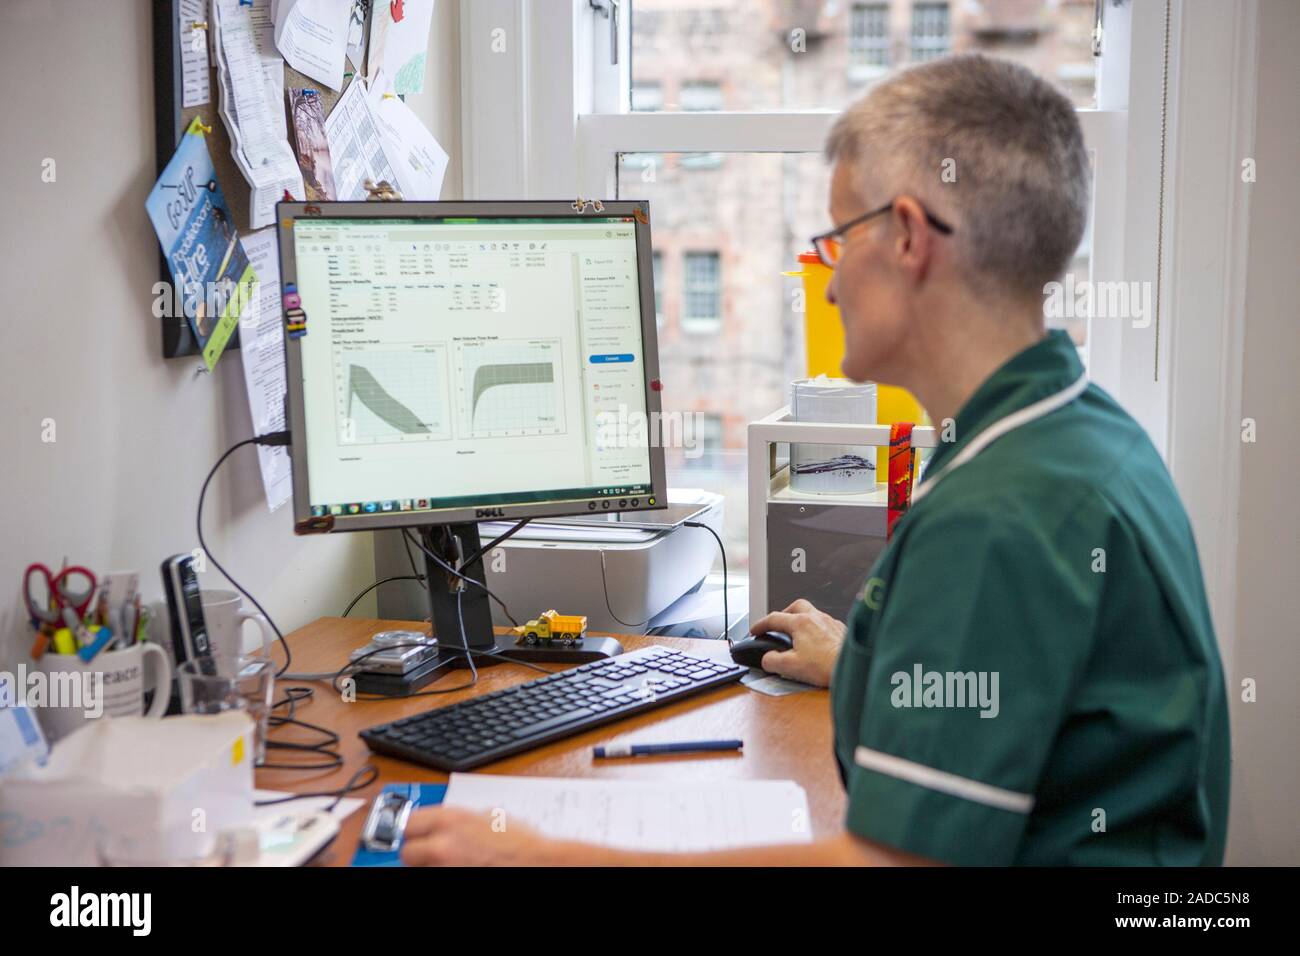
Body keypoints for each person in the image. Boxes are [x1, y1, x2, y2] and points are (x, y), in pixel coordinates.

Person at [399, 53, 1231, 867]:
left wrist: (543, 856)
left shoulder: (1001, 511)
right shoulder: (1073, 432)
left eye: (837, 238)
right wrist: (871, 667)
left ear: (908, 237)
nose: (826, 285)